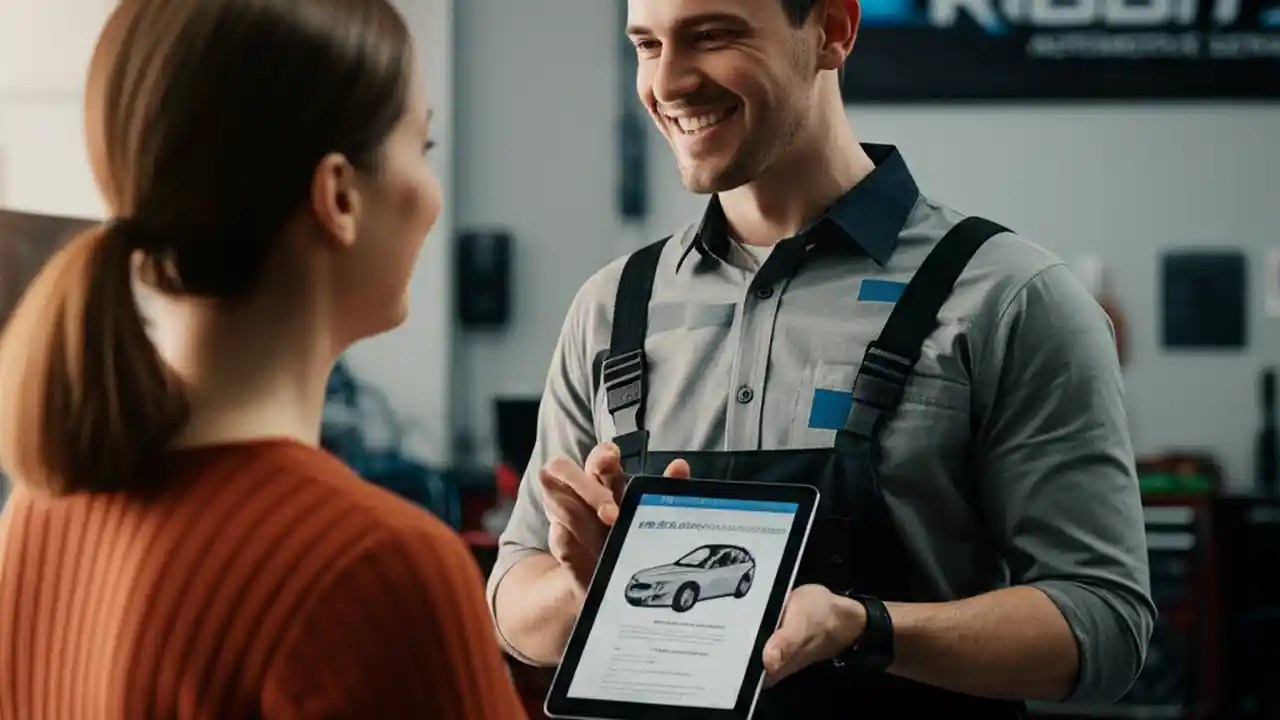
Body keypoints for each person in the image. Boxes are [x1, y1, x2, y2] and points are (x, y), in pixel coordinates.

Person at [486, 0, 1155, 716]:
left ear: (833, 30)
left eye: (711, 36)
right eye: (647, 45)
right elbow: (512, 606)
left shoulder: (1012, 298)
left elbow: (1104, 625)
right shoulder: (612, 306)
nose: (669, 82)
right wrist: (591, 584)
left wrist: (865, 630)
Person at [0, 1, 526, 718]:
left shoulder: (41, 513)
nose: (432, 196)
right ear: (339, 195)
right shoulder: (380, 567)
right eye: (422, 148)